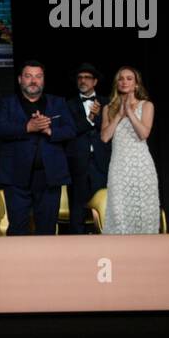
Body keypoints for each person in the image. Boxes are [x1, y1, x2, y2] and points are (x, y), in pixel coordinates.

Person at [0, 61, 76, 236]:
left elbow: (71, 130)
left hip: (49, 177)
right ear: (19, 79)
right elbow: (0, 129)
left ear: (43, 80)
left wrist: (49, 130)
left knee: (46, 229)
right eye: (28, 76)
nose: (33, 81)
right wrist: (27, 127)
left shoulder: (58, 103)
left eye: (38, 76)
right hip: (16, 177)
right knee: (17, 229)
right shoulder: (6, 103)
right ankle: (16, 264)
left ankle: (46, 263)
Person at [101, 66, 160, 234]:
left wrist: (130, 112)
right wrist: (119, 114)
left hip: (141, 166)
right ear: (116, 83)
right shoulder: (108, 108)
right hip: (119, 167)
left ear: (136, 84)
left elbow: (143, 134)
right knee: (118, 213)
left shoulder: (147, 105)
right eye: (121, 78)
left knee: (143, 213)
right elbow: (105, 137)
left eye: (129, 78)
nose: (124, 81)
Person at [66, 62, 110, 234]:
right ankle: (77, 250)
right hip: (78, 163)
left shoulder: (107, 103)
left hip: (102, 163)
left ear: (95, 82)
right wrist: (91, 117)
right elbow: (70, 130)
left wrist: (98, 118)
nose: (83, 81)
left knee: (104, 206)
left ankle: (108, 246)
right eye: (80, 78)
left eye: (87, 78)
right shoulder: (68, 104)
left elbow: (110, 130)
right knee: (77, 207)